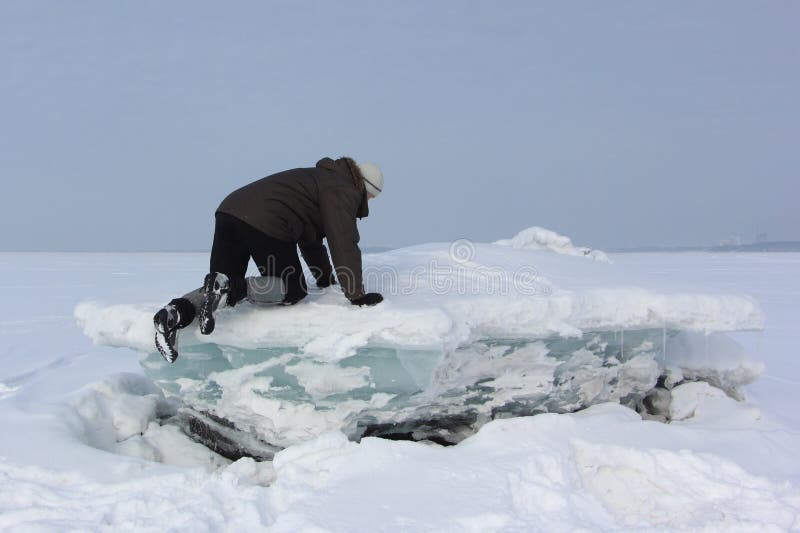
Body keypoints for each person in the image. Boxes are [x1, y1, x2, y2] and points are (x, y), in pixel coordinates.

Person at [153, 156, 385, 362]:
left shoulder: (322, 181)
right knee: (292, 288)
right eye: (372, 197)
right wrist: (356, 294)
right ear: (365, 188)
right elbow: (343, 239)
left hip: (229, 211)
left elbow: (311, 242)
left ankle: (175, 313)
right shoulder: (342, 188)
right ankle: (227, 287)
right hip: (266, 219)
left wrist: (325, 279)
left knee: (221, 285)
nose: (368, 202)